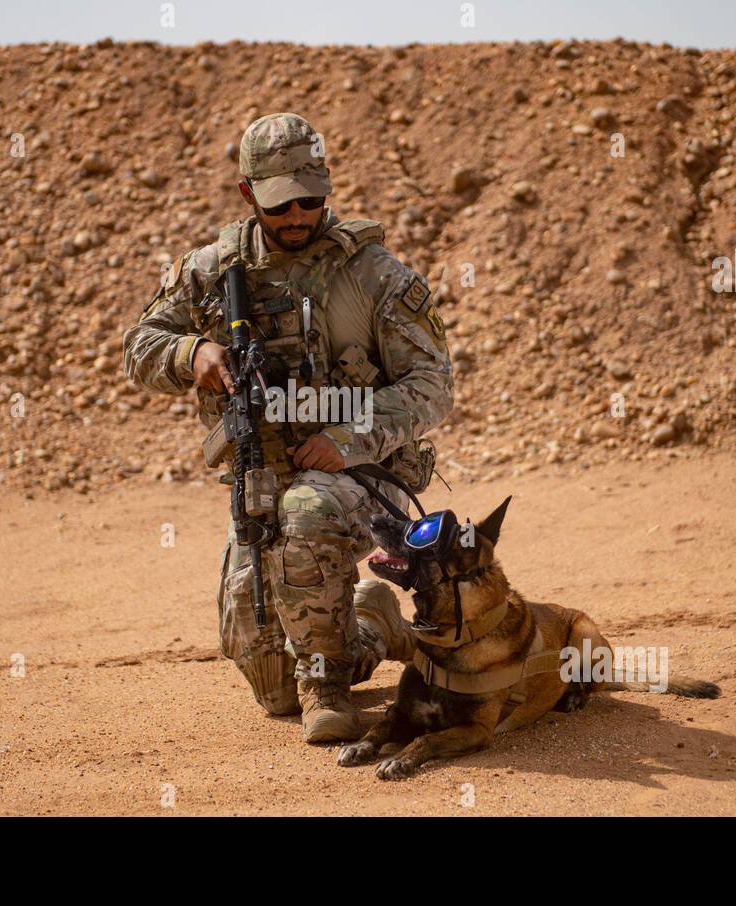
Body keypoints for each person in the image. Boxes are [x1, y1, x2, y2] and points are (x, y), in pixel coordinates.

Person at [122, 112, 453, 743]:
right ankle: (373, 623)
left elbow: (432, 386)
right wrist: (191, 355)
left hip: (363, 476)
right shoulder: (213, 271)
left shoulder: (375, 274)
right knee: (270, 686)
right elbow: (139, 346)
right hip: (261, 478)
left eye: (311, 199)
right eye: (281, 204)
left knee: (306, 509)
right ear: (249, 195)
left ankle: (324, 687)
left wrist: (347, 438)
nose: (298, 215)